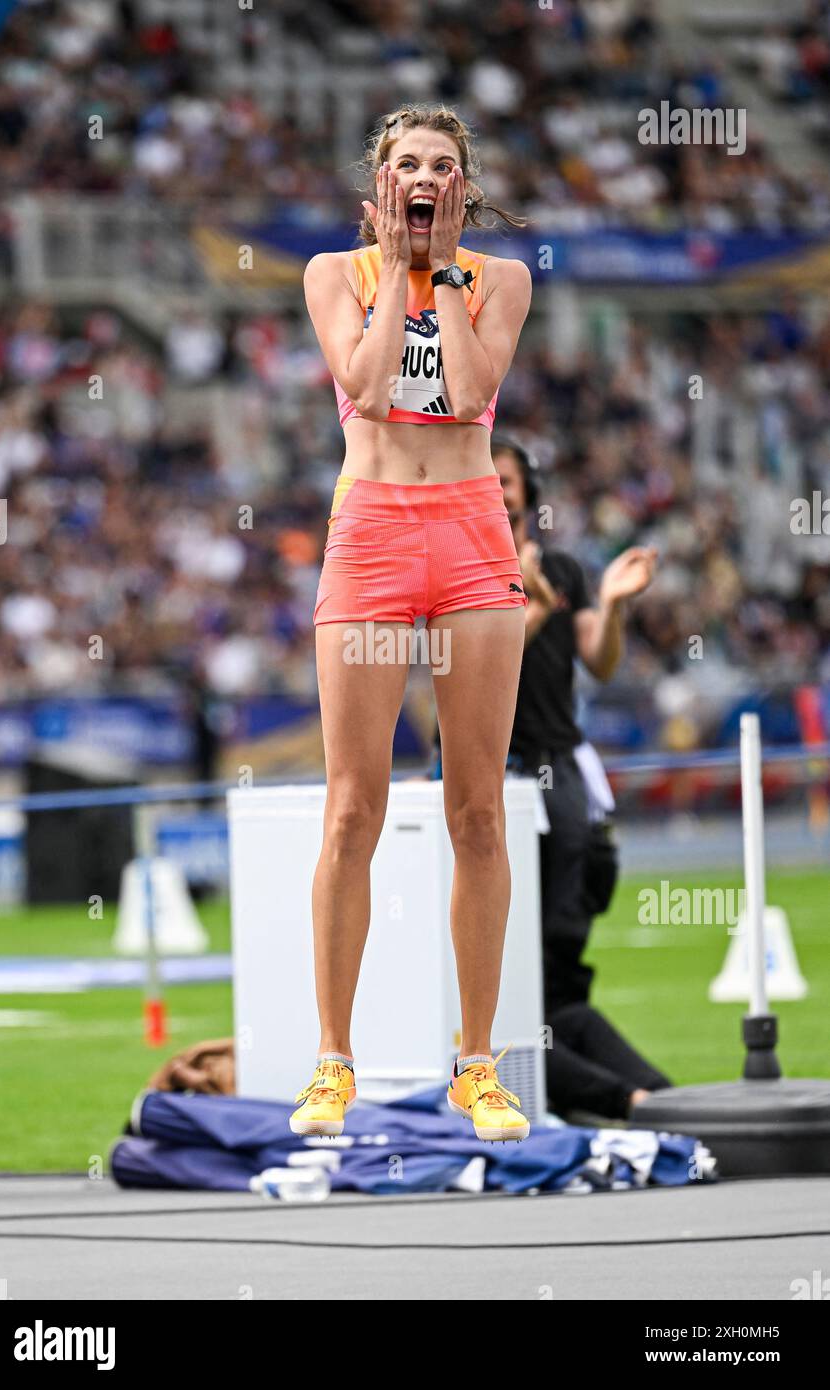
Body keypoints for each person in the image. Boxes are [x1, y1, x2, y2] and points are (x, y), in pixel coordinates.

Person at [293, 104, 534, 1142]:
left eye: (441, 164)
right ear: (380, 184)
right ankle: (331, 1062)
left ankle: (474, 1063)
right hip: (374, 531)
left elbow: (474, 389)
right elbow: (364, 384)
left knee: (474, 810)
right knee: (352, 806)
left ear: (463, 186)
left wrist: (437, 272)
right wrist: (395, 269)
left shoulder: (503, 280)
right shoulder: (329, 273)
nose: (423, 175)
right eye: (406, 164)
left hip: (472, 531)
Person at [430, 437, 671, 1121]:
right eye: (485, 478)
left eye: (505, 480)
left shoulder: (563, 568)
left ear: (528, 493)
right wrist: (530, 613)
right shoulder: (458, 571)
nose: (497, 491)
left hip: (553, 767)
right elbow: (458, 672)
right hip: (485, 769)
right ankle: (505, 1047)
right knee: (492, 919)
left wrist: (616, 603)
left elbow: (599, 660)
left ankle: (565, 1047)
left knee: (562, 927)